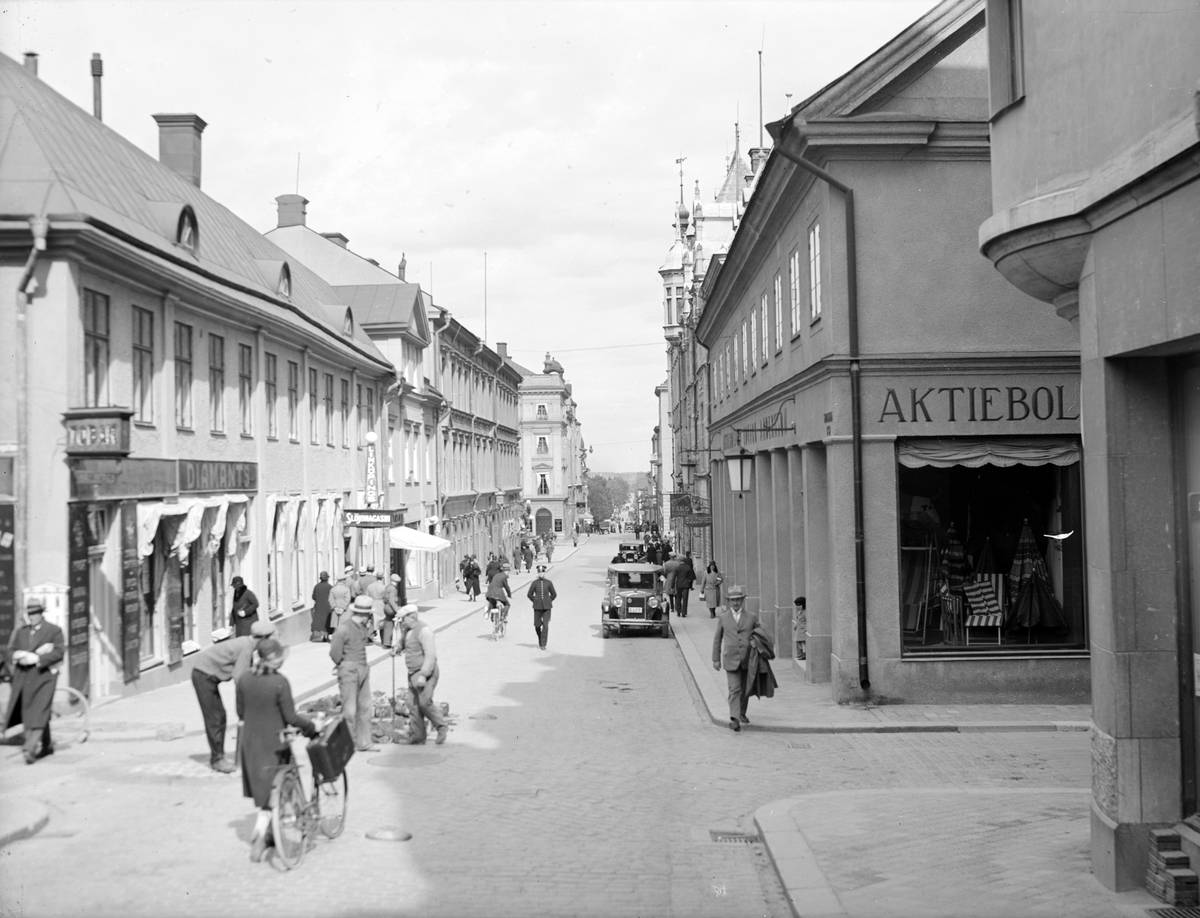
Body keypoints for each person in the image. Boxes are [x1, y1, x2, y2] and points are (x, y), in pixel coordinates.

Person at [235, 638, 319, 862]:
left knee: (265, 792)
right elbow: (291, 717)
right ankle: (270, 836)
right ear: (275, 659)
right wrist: (310, 728)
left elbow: (240, 712)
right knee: (284, 786)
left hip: (251, 745)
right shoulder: (280, 681)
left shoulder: (244, 679)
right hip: (275, 744)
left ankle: (266, 834)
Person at [190, 619, 276, 772]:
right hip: (203, 674)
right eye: (269, 638)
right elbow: (241, 680)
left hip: (207, 673)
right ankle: (217, 760)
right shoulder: (246, 648)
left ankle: (219, 755)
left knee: (220, 716)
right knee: (215, 717)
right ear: (262, 638)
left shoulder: (247, 644)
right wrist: (243, 709)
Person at [4, 599, 65, 764]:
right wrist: (16, 656)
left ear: (41, 613)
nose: (31, 617)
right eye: (29, 613)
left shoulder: (53, 630)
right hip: (25, 677)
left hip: (45, 677)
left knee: (40, 709)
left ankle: (29, 748)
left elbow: (59, 652)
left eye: (35, 613)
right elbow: (9, 651)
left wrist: (38, 658)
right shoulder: (21, 632)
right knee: (33, 711)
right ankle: (46, 745)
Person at [393, 605, 448, 745]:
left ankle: (441, 726)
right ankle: (418, 736)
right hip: (412, 673)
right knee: (412, 703)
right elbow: (403, 642)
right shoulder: (407, 630)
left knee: (424, 702)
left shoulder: (424, 631)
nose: (401, 623)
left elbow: (430, 655)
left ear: (413, 617)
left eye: (403, 619)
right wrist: (397, 648)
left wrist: (423, 675)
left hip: (426, 673)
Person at [330, 596, 379, 753]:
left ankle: (364, 742)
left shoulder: (362, 627)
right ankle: (347, 745)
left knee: (365, 707)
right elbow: (335, 652)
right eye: (369, 614)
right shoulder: (343, 629)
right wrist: (342, 665)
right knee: (349, 710)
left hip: (363, 669)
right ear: (363, 614)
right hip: (349, 670)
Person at [712, 586, 759, 732]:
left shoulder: (751, 617)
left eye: (738, 600)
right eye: (733, 600)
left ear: (742, 600)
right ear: (728, 601)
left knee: (745, 689)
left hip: (747, 659)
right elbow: (717, 638)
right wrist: (716, 658)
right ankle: (735, 719)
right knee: (734, 689)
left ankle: (742, 712)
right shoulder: (723, 617)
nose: (735, 603)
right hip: (730, 659)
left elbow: (760, 633)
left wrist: (756, 642)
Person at [526, 564, 558, 650]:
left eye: (542, 572)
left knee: (545, 626)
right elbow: (529, 594)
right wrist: (535, 600)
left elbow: (554, 594)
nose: (541, 574)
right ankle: (540, 639)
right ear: (538, 573)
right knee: (537, 625)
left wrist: (548, 600)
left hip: (547, 607)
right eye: (539, 572)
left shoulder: (549, 583)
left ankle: (543, 644)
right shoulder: (534, 583)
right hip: (537, 607)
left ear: (545, 572)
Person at [486, 560, 512, 624]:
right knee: (507, 604)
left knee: (493, 604)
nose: (508, 573)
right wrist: (509, 595)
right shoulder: (504, 576)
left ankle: (492, 617)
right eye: (508, 571)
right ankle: (503, 615)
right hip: (498, 592)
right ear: (506, 571)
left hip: (490, 592)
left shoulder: (497, 575)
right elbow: (506, 587)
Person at [382, 573, 403, 648]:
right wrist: (398, 611)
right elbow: (392, 601)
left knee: (388, 624)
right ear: (396, 582)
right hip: (391, 608)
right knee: (401, 622)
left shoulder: (388, 587)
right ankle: (402, 643)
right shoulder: (393, 589)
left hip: (386, 607)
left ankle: (386, 643)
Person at [311, 571, 333, 642]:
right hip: (327, 606)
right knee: (327, 620)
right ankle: (327, 636)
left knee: (321, 620)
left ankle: (323, 636)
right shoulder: (329, 587)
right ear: (327, 579)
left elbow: (313, 596)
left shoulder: (317, 586)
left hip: (319, 606)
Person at [329, 569, 352, 634]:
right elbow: (347, 599)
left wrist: (335, 607)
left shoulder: (333, 589)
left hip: (335, 607)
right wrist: (343, 608)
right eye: (345, 579)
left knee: (336, 624)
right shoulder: (346, 589)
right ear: (343, 580)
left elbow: (330, 599)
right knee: (344, 623)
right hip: (344, 608)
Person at [366, 572, 386, 643]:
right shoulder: (383, 587)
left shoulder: (370, 586)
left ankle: (369, 639)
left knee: (371, 622)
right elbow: (385, 598)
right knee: (382, 623)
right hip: (380, 605)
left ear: (376, 577)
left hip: (372, 604)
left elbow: (367, 596)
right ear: (382, 578)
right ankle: (383, 640)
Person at [675, 551, 696, 618]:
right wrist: (690, 586)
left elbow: (674, 577)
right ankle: (684, 613)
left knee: (678, 598)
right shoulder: (688, 568)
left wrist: (672, 585)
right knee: (685, 599)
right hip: (686, 585)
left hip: (679, 584)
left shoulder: (677, 568)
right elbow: (690, 578)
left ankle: (678, 611)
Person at [793, 596, 808, 661]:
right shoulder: (800, 611)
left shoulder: (805, 612)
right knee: (798, 642)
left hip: (803, 630)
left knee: (803, 643)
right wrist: (795, 625)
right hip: (799, 629)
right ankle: (800, 654)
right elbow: (798, 620)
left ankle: (804, 655)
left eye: (799, 605)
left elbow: (807, 621)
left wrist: (806, 629)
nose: (797, 607)